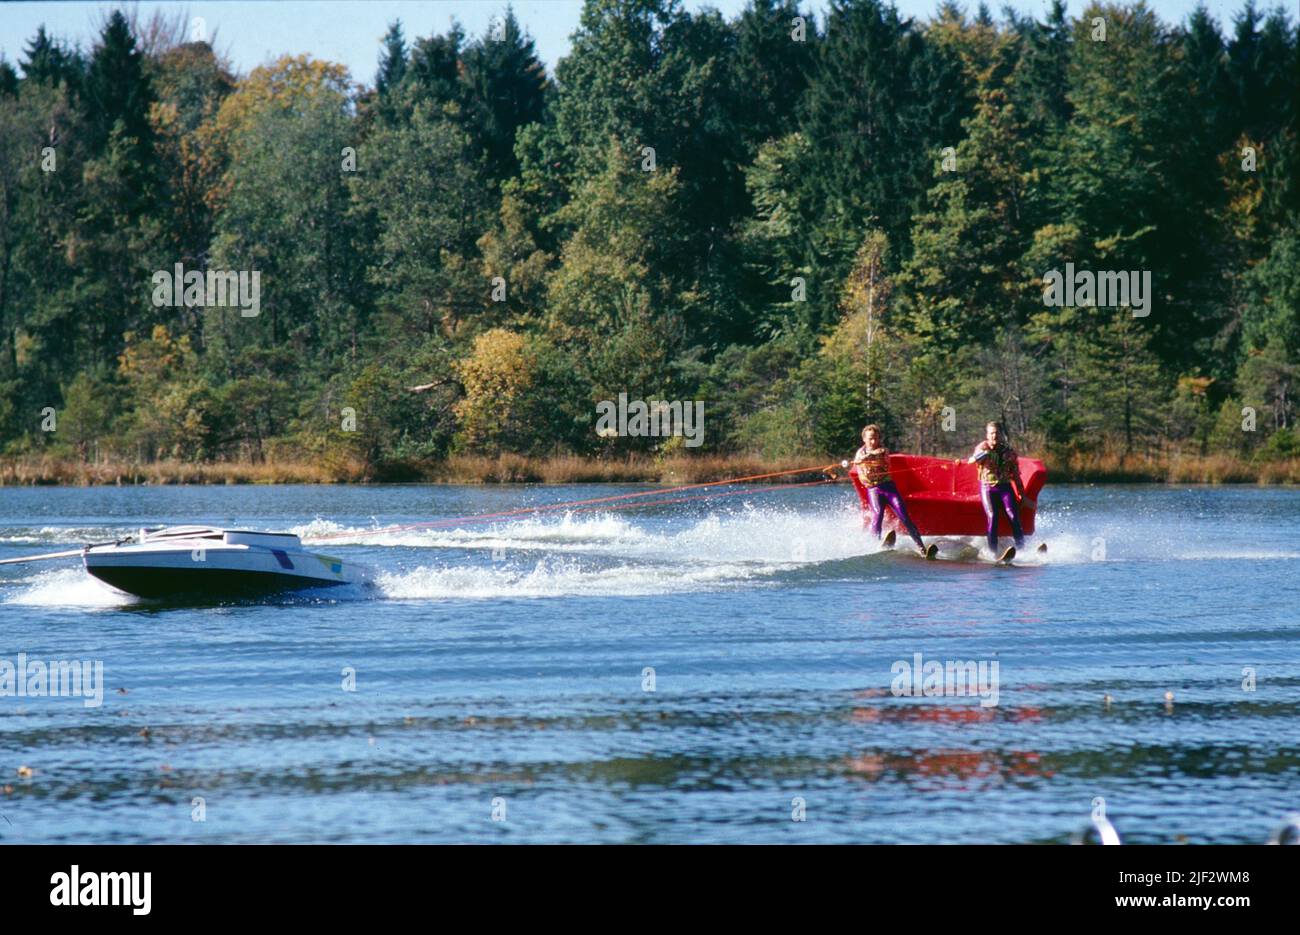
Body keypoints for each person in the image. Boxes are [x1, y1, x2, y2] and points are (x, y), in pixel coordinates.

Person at [847, 424, 928, 555]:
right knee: (877, 514)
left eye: (876, 438)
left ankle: (921, 547)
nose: (874, 441)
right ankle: (873, 546)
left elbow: (877, 454)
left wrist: (865, 458)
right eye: (871, 438)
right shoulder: (859, 453)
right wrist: (859, 460)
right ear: (864, 439)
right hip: (873, 490)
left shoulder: (883, 450)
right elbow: (857, 460)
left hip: (889, 488)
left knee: (904, 516)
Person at [958, 421, 1035, 556]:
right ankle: (992, 553)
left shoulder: (1009, 452)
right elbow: (972, 460)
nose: (994, 436)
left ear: (1002, 435)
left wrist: (1022, 495)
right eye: (991, 433)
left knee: (1013, 515)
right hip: (987, 487)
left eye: (997, 433)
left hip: (1005, 487)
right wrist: (981, 455)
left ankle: (1022, 551)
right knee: (993, 516)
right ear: (987, 435)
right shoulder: (982, 447)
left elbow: (1015, 475)